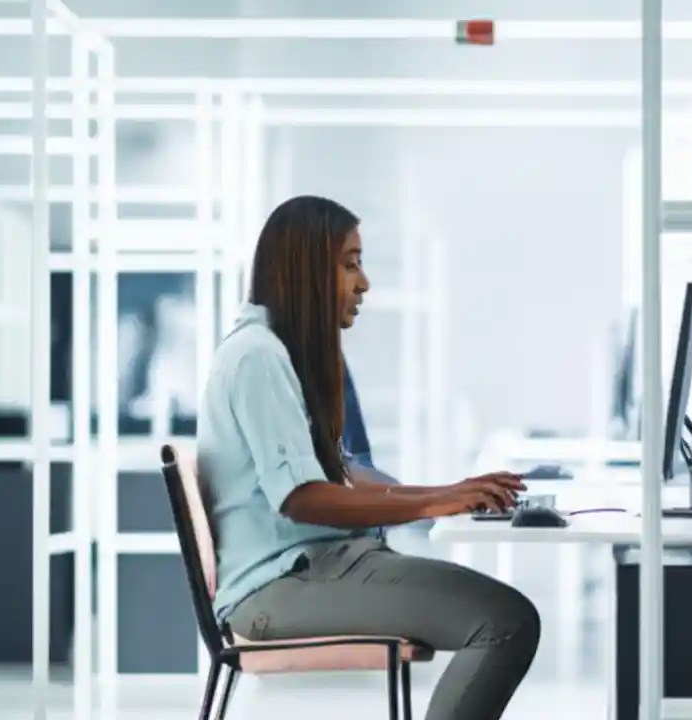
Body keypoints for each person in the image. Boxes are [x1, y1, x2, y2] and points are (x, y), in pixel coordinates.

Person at [197, 195, 540, 720]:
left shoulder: (281, 350)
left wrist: (448, 494)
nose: (364, 284)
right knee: (504, 620)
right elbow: (303, 498)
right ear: (307, 268)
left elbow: (338, 473)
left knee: (504, 615)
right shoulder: (257, 357)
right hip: (278, 587)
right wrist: (435, 504)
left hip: (317, 568)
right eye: (350, 265)